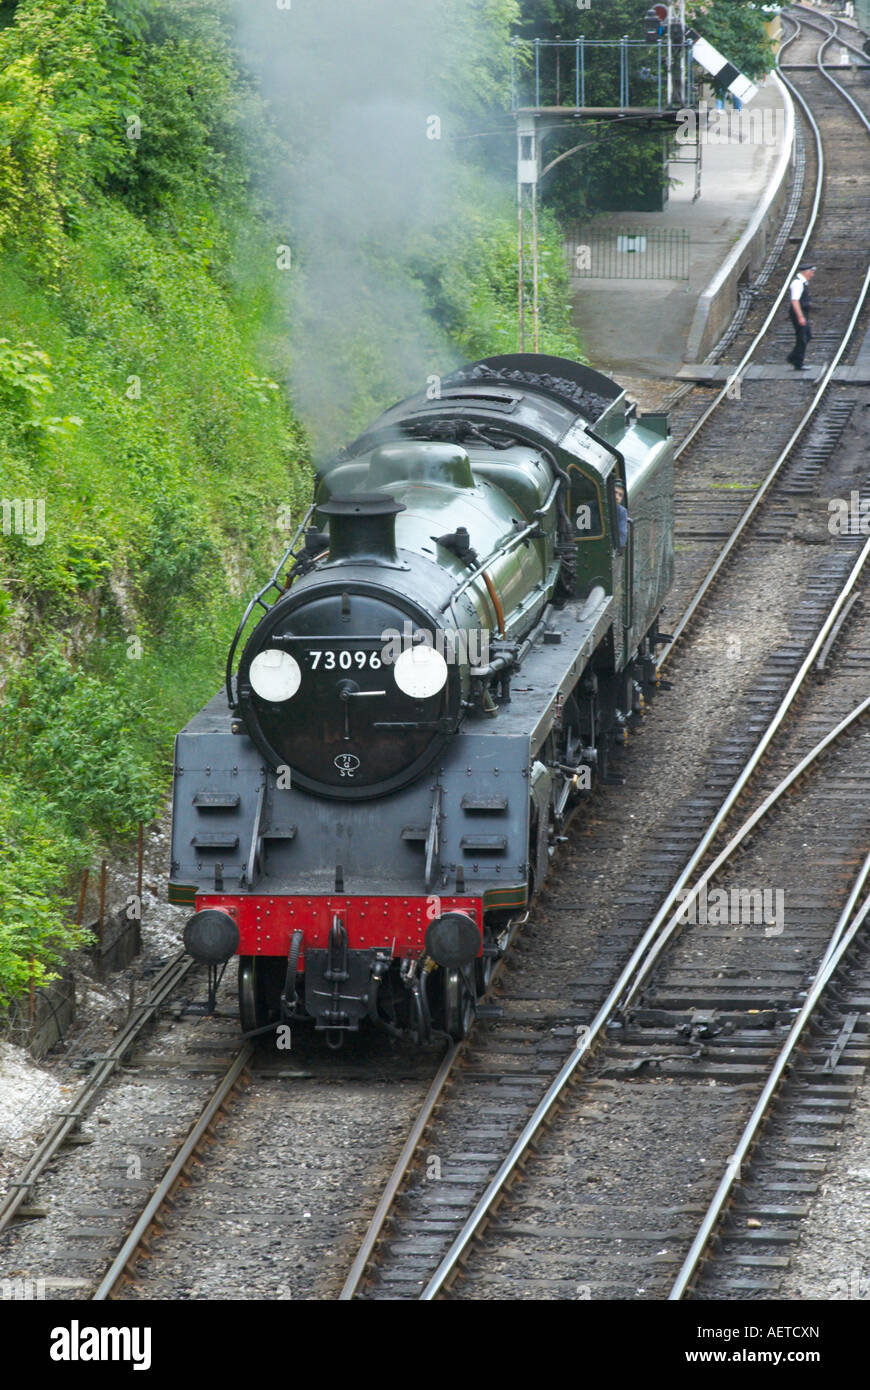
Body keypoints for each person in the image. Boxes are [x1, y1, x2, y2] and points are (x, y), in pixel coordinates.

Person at [787, 265, 816, 370]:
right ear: (805, 272)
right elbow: (795, 301)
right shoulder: (797, 283)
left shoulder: (803, 283)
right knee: (802, 337)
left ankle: (793, 357)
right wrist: (800, 316)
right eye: (811, 273)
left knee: (806, 335)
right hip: (798, 313)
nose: (812, 275)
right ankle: (797, 362)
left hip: (803, 312)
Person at [613, 480, 629, 551]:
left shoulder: (622, 511)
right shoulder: (589, 507)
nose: (617, 497)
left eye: (620, 495)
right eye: (615, 493)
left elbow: (622, 532)